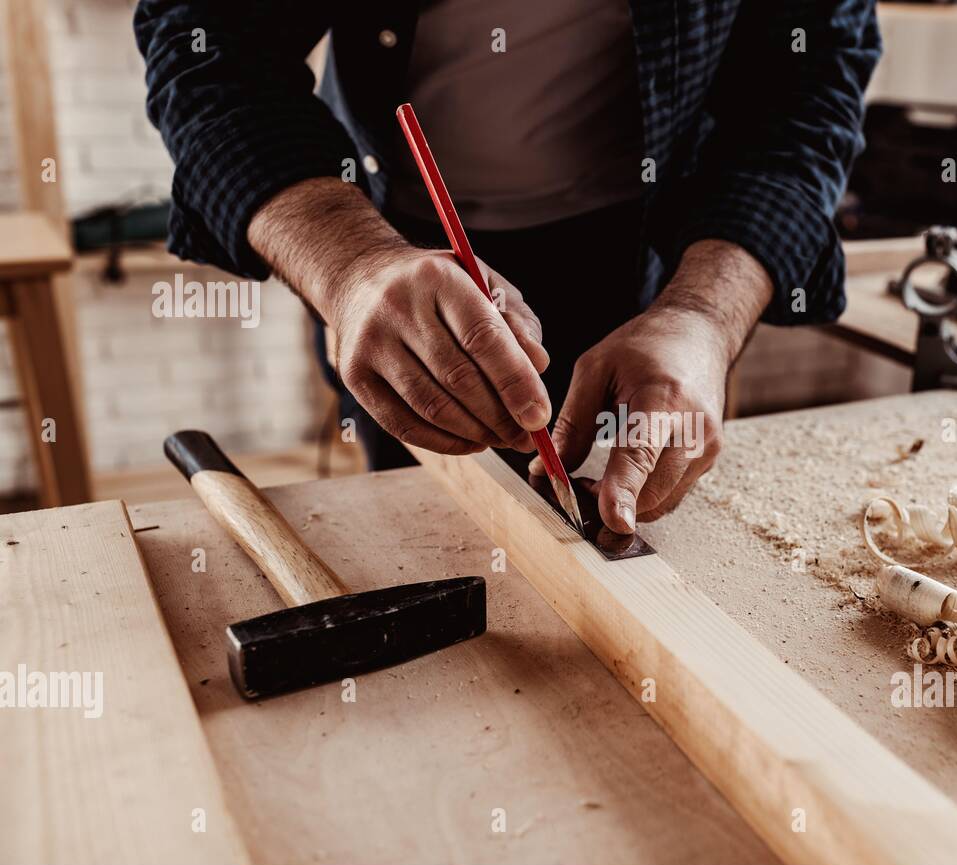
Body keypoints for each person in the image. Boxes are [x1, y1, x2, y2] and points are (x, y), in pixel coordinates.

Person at [134, 1, 880, 533]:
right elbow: (207, 49)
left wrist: (704, 318)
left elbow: (809, 93)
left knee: (625, 496)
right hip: (390, 245)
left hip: (645, 247)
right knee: (423, 526)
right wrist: (351, 264)